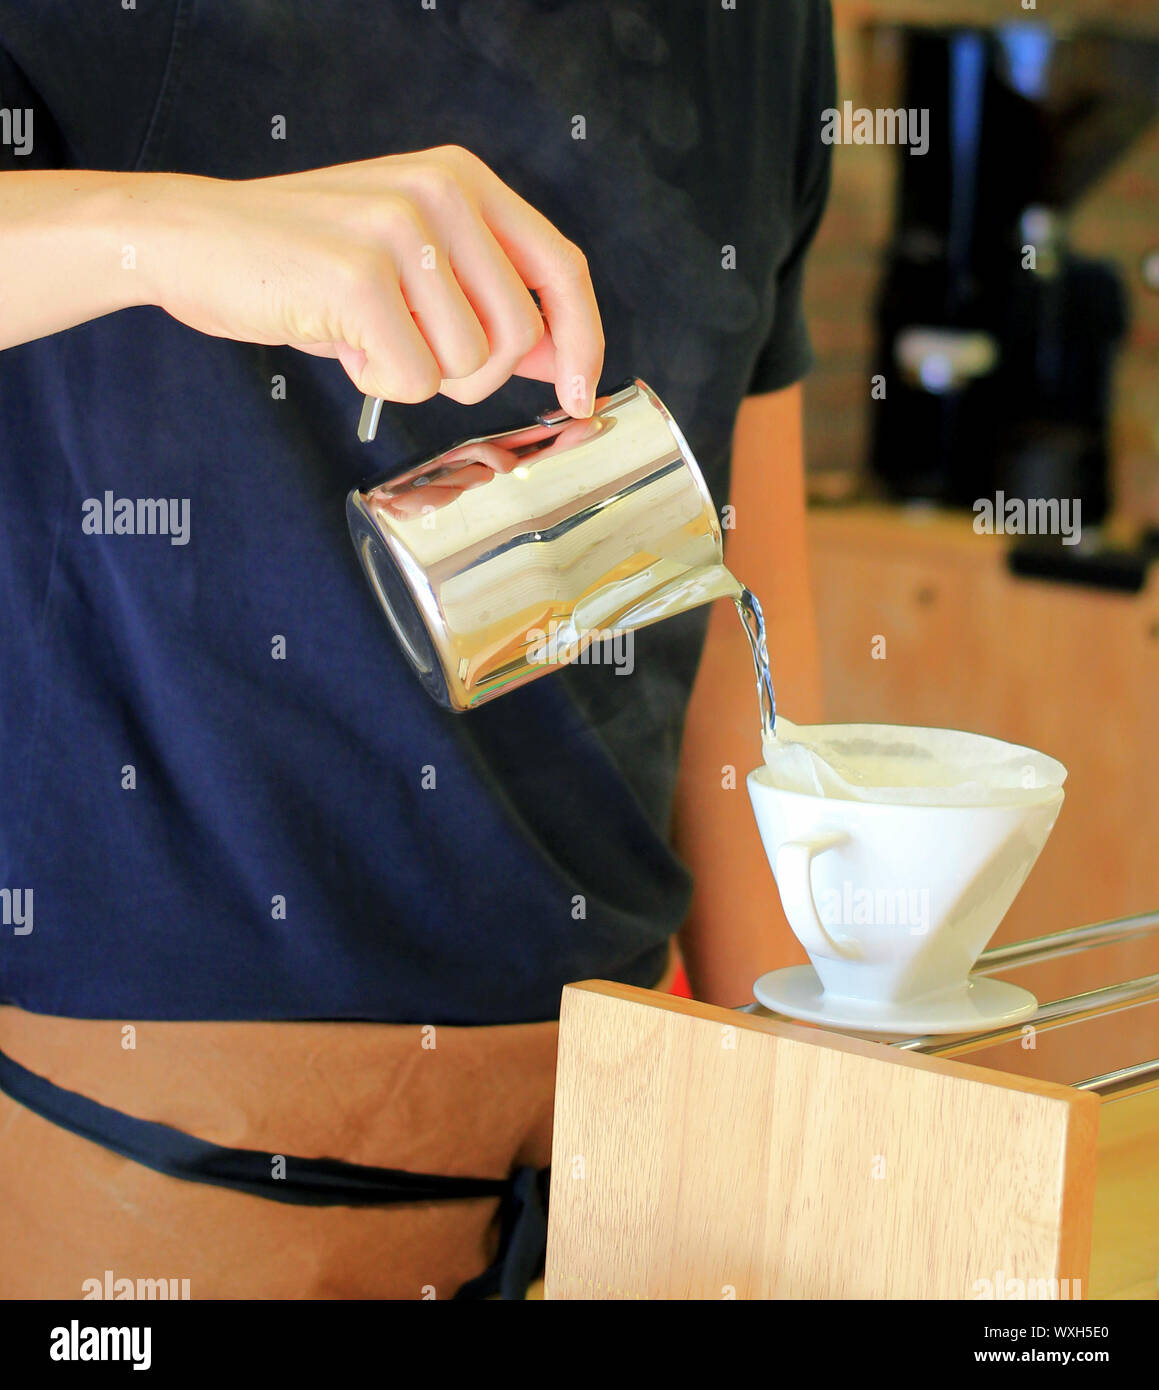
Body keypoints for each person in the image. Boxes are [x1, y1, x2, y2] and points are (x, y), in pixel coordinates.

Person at [0, 1, 833, 1298]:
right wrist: (155, 228)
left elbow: (736, 600)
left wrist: (807, 1134)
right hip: (186, 1155)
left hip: (629, 1144)